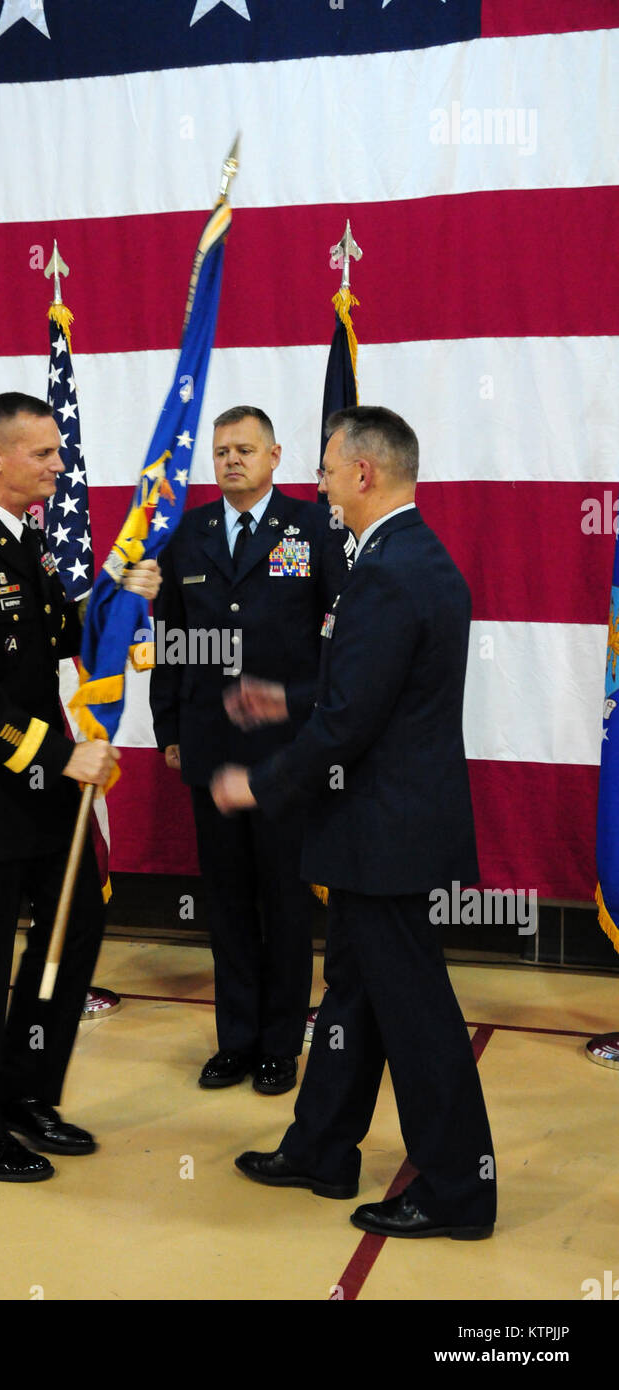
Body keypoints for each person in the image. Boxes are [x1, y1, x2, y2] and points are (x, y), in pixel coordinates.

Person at [211, 406, 497, 1239]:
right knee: (353, 1002)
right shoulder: (405, 557)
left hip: (385, 834)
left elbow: (349, 726)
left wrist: (259, 786)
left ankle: (456, 1191)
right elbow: (368, 689)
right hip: (385, 827)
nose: (320, 480)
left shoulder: (386, 571)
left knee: (417, 1018)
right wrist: (288, 697)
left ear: (363, 474)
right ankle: (323, 1147)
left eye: (328, 467)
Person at [0, 392, 160, 1182]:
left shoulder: (28, 543)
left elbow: (59, 633)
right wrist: (57, 753)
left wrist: (123, 596)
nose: (59, 465)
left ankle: (25, 1094)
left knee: (76, 927)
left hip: (43, 788)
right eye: (45, 454)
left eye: (56, 452)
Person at [150, 406, 349, 1094]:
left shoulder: (313, 528)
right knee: (227, 900)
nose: (230, 460)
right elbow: (169, 643)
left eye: (244, 449)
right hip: (210, 747)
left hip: (286, 752)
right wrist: (168, 730)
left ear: (274, 457)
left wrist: (318, 719)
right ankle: (233, 1039)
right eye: (221, 450)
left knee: (285, 900)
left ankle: (277, 1044)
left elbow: (341, 637)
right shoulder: (188, 535)